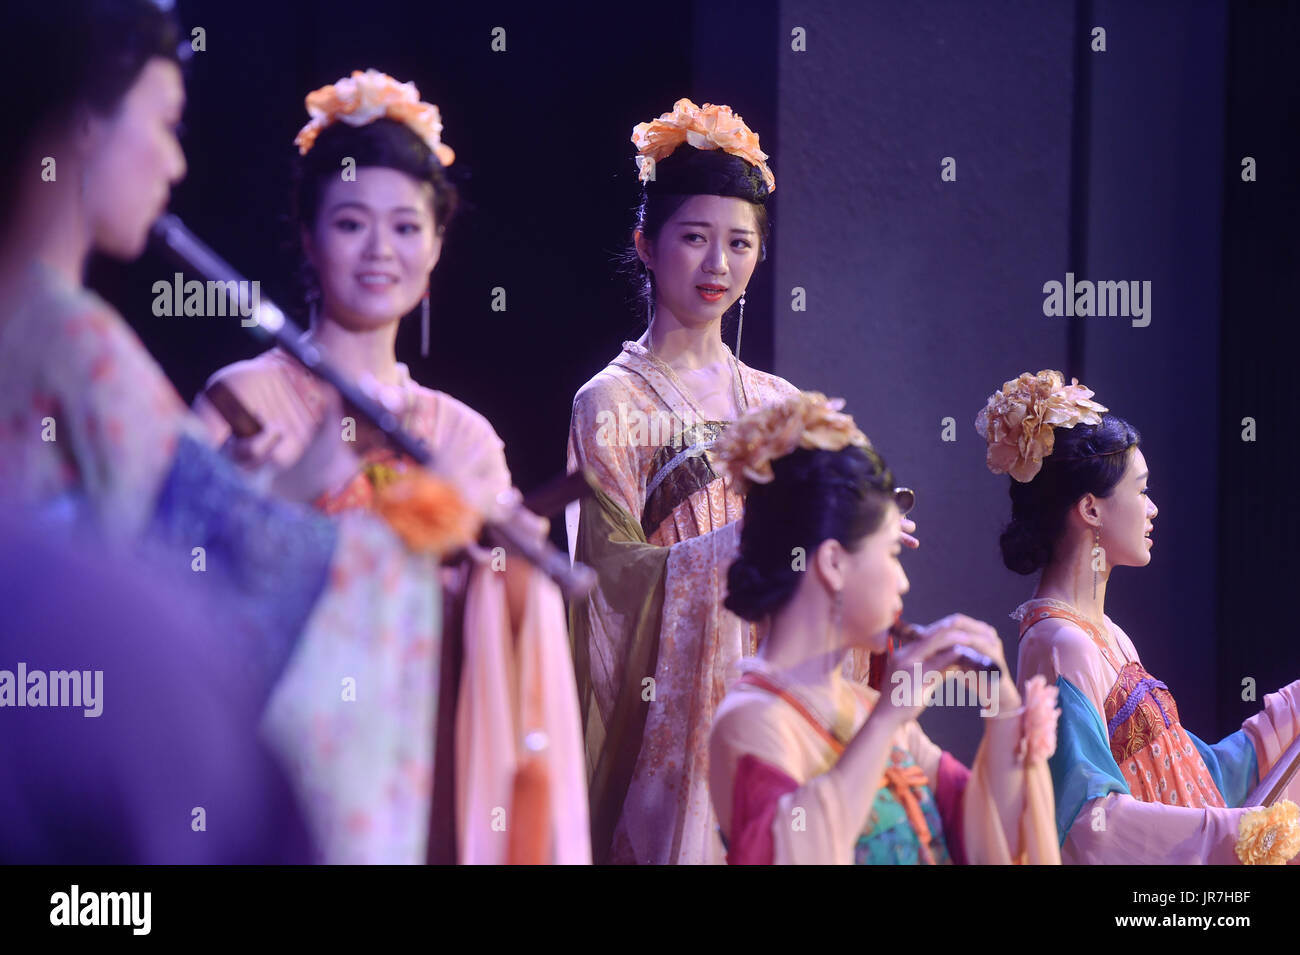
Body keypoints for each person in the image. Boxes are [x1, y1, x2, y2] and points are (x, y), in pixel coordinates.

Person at [193, 69, 589, 865]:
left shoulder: (463, 436)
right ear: (307, 236)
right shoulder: (242, 399)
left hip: (422, 745)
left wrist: (503, 564)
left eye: (407, 227)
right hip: (276, 747)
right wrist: (285, 487)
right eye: (350, 223)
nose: (381, 251)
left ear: (438, 243)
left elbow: (508, 612)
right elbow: (175, 573)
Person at [707, 392, 1061, 864]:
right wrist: (889, 718)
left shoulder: (869, 708)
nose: (903, 581)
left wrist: (1002, 708)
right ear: (833, 561)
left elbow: (988, 841)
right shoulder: (751, 719)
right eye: (892, 554)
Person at [977, 369, 1300, 864]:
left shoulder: (1106, 634)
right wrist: (1235, 831)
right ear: (1091, 508)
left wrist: (1289, 714)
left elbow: (1193, 772)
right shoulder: (1059, 643)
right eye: (1141, 490)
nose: (1152, 509)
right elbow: (1089, 821)